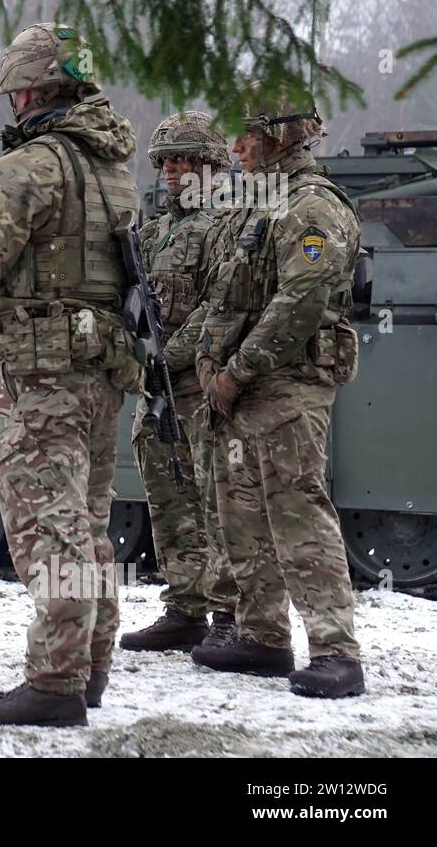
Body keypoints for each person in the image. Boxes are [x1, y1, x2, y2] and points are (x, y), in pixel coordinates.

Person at [0, 23, 140, 727]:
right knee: (89, 523)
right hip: (101, 369)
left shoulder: (28, 168)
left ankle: (55, 680)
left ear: (31, 90)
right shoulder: (114, 172)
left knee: (50, 526)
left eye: (14, 90)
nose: (10, 102)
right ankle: (89, 666)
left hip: (41, 374)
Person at [190, 84, 365, 698]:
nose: (234, 147)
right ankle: (262, 636)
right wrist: (214, 366)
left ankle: (335, 649)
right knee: (243, 512)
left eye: (247, 133)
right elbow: (231, 296)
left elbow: (301, 301)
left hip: (286, 386)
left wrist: (236, 370)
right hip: (245, 389)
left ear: (282, 135)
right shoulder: (263, 202)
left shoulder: (311, 206)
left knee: (297, 510)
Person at [120, 111, 239, 652]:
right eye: (167, 160)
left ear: (212, 165)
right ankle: (184, 605)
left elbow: (223, 305)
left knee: (217, 500)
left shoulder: (228, 224)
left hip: (201, 384)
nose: (174, 169)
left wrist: (171, 354)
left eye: (187, 159)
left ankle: (230, 614)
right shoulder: (150, 231)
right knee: (168, 499)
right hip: (157, 384)